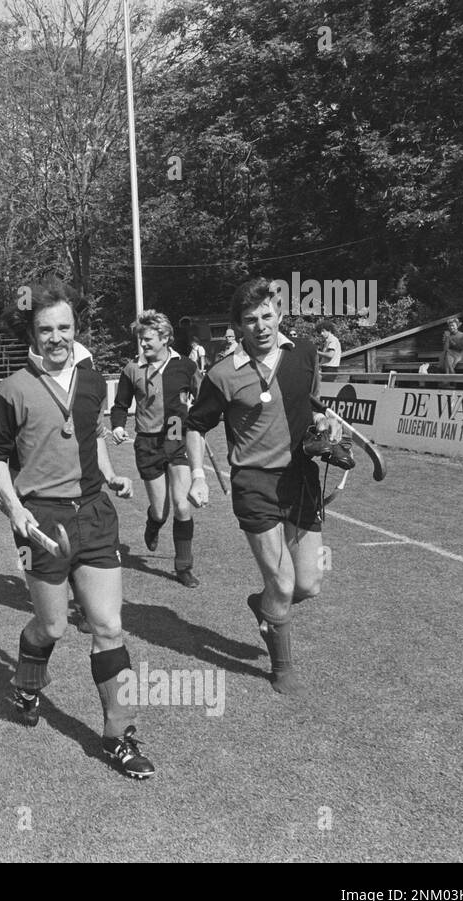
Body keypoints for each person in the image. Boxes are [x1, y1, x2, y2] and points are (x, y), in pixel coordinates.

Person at [0, 275, 154, 780]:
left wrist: (111, 474)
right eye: (46, 329)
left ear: (75, 327)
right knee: (52, 625)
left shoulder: (94, 379)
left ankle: (118, 735)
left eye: (65, 327)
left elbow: (93, 434)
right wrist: (16, 509)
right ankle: (29, 682)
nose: (56, 337)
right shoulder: (11, 389)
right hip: (41, 520)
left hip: (95, 514)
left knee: (108, 627)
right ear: (32, 334)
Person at [184, 277, 342, 696]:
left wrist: (324, 424)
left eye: (267, 316)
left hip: (302, 478)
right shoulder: (221, 375)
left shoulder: (305, 354)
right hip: (254, 483)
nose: (260, 326)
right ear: (238, 325)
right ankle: (282, 667)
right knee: (284, 584)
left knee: (308, 584)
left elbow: (312, 404)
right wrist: (198, 476)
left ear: (279, 315)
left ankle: (263, 604)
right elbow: (196, 426)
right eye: (250, 320)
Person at [110, 311, 204, 588]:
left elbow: (203, 398)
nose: (143, 343)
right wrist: (117, 426)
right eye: (141, 338)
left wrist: (199, 413)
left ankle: (183, 566)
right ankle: (153, 524)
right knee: (161, 511)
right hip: (147, 442)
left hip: (176, 433)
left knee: (182, 504)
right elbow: (120, 405)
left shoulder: (185, 366)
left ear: (165, 338)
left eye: (148, 338)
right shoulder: (131, 368)